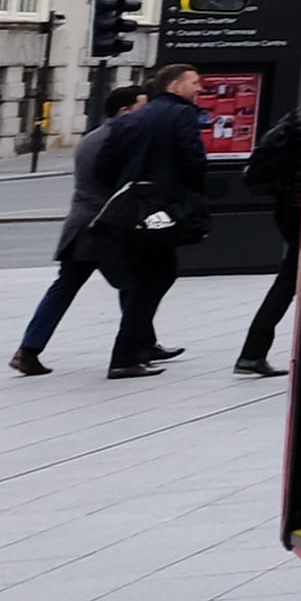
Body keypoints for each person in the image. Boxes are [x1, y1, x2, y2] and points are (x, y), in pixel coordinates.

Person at [76, 63, 217, 378]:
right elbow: (193, 160)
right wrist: (191, 196)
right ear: (176, 85)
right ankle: (126, 356)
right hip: (162, 207)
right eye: (194, 82)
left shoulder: (133, 119)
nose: (199, 89)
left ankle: (139, 347)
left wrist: (128, 187)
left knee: (147, 277)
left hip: (130, 208)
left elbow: (103, 166)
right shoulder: (182, 115)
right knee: (154, 278)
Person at [14, 87, 142, 376]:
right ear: (124, 111)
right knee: (135, 286)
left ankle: (28, 350)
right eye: (142, 108)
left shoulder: (92, 138)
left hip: (80, 224)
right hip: (103, 226)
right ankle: (137, 345)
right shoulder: (119, 141)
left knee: (65, 287)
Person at [228, 103, 301, 376]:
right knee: (289, 280)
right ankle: (252, 353)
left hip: (289, 208)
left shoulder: (296, 114)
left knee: (289, 279)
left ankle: (252, 352)